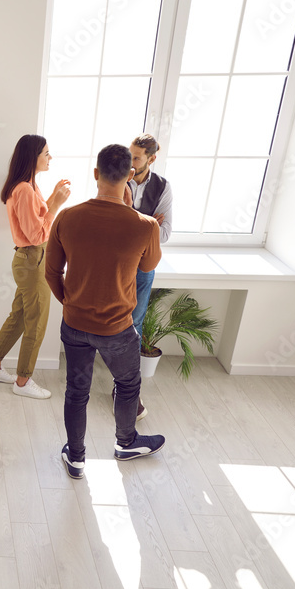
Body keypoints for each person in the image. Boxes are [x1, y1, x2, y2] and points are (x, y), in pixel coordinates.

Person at [44, 144, 164, 479]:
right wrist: (130, 211)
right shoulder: (145, 225)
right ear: (129, 176)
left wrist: (70, 303)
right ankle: (126, 443)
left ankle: (77, 457)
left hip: (75, 324)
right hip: (117, 329)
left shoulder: (67, 217)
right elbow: (149, 265)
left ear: (95, 174)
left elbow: (51, 272)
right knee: (127, 384)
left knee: (76, 390)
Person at [0, 134, 71, 399]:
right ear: (32, 156)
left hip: (32, 259)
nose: (50, 158)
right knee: (37, 322)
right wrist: (56, 204)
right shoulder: (24, 189)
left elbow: (37, 221)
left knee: (21, 316)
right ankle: (22, 382)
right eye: (46, 153)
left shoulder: (30, 186)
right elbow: (36, 235)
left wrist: (52, 197)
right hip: (32, 259)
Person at [124, 133, 173, 418]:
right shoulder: (119, 179)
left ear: (152, 159)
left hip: (143, 267)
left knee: (135, 323)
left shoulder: (164, 187)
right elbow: (112, 226)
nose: (131, 162)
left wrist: (133, 220)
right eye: (130, 155)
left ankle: (126, 388)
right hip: (117, 263)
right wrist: (150, 222)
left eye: (137, 157)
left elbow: (164, 235)